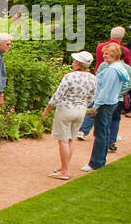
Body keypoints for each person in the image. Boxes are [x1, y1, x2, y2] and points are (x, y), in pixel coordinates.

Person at [41, 50, 96, 180]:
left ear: (78, 63)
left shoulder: (70, 77)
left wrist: (47, 110)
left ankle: (65, 171)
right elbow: (91, 97)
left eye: (75, 61)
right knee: (72, 139)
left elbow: (58, 95)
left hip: (66, 110)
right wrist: (83, 105)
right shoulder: (93, 78)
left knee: (63, 140)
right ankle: (64, 167)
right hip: (80, 111)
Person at [82, 42, 131, 172]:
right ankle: (100, 161)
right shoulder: (120, 68)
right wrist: (116, 94)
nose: (104, 56)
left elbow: (105, 90)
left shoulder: (111, 71)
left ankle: (96, 163)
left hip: (105, 104)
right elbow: (125, 84)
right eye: (104, 53)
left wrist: (96, 105)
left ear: (114, 55)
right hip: (112, 102)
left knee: (100, 133)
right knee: (104, 132)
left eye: (107, 54)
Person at [77, 27, 131, 143]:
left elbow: (99, 66)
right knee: (114, 118)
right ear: (122, 37)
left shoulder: (100, 47)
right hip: (115, 96)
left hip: (102, 88)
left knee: (97, 114)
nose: (104, 55)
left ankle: (84, 131)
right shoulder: (125, 58)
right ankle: (111, 139)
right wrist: (118, 92)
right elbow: (127, 82)